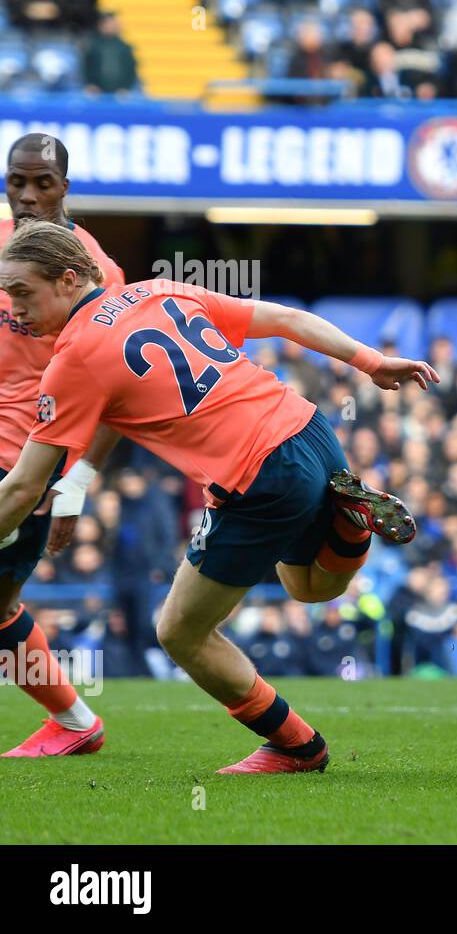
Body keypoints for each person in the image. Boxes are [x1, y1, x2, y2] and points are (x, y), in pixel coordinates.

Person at [0, 221, 435, 773]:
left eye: (21, 292)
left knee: (180, 631)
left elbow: (22, 486)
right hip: (307, 428)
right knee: (308, 587)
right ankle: (349, 522)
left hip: (258, 476)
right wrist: (371, 362)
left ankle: (297, 747)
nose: (13, 309)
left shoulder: (73, 360)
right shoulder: (159, 290)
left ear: (66, 280)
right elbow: (286, 318)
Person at [0, 133, 125, 758]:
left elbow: (117, 395)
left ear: (65, 188)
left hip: (25, 463)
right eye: (15, 181)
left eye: (41, 183)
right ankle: (76, 722)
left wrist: (76, 482)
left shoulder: (97, 273)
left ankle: (75, 721)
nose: (26, 196)